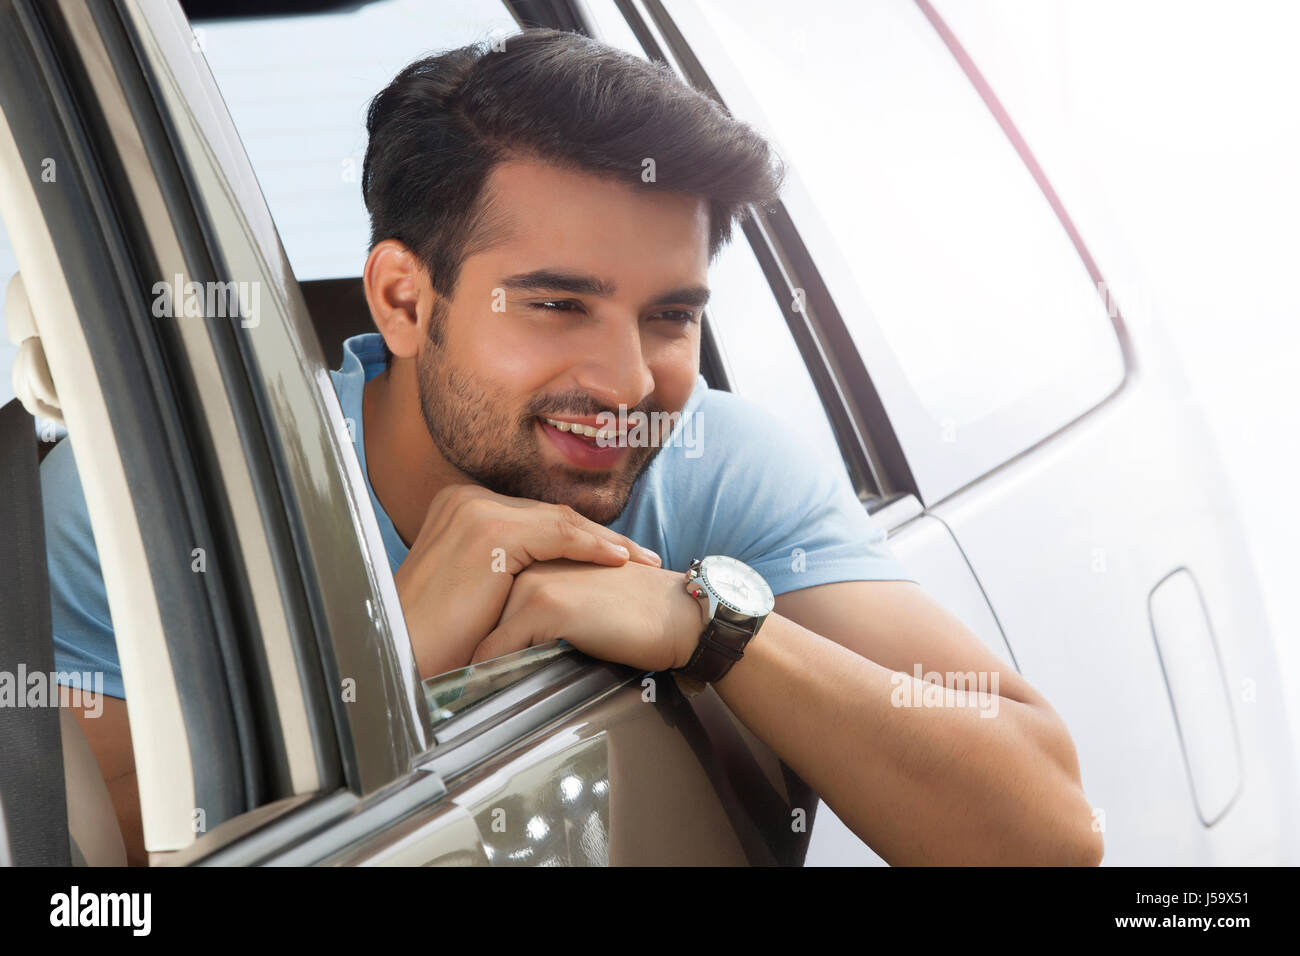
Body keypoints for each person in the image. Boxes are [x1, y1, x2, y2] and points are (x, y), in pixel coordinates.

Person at [48, 28, 1102, 866]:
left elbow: (1050, 832)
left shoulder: (716, 464)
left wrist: (711, 627)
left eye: (670, 316)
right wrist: (384, 664)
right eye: (557, 303)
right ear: (405, 298)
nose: (630, 382)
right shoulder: (145, 503)